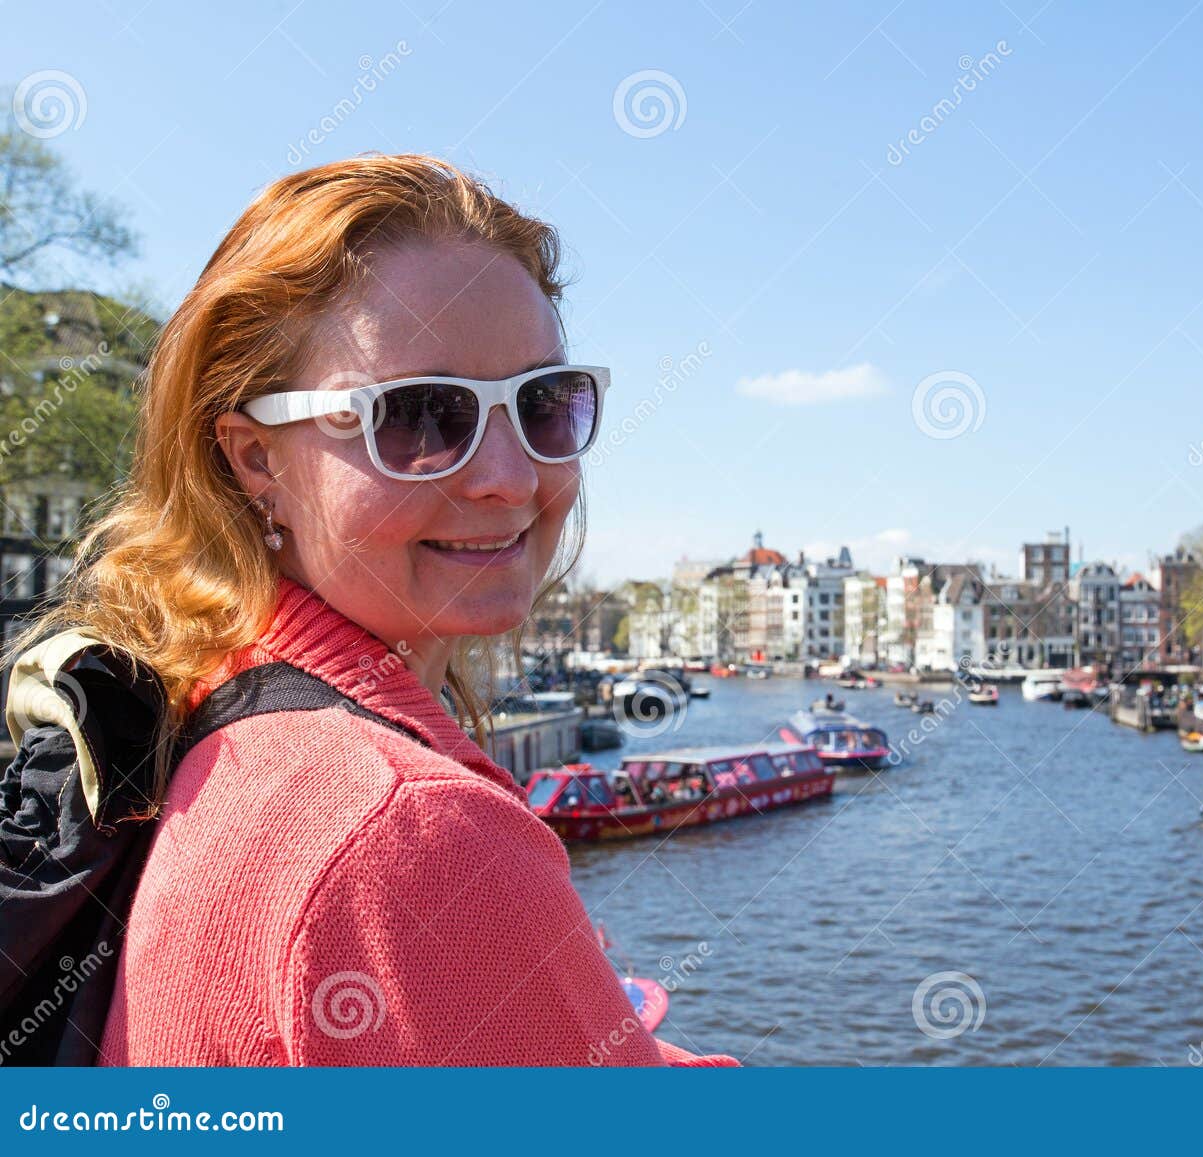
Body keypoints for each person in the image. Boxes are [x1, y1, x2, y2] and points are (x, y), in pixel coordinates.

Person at [12, 155, 732, 1067]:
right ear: (255, 460)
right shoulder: (408, 830)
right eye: (421, 417)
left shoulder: (194, 713)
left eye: (542, 403)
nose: (510, 477)